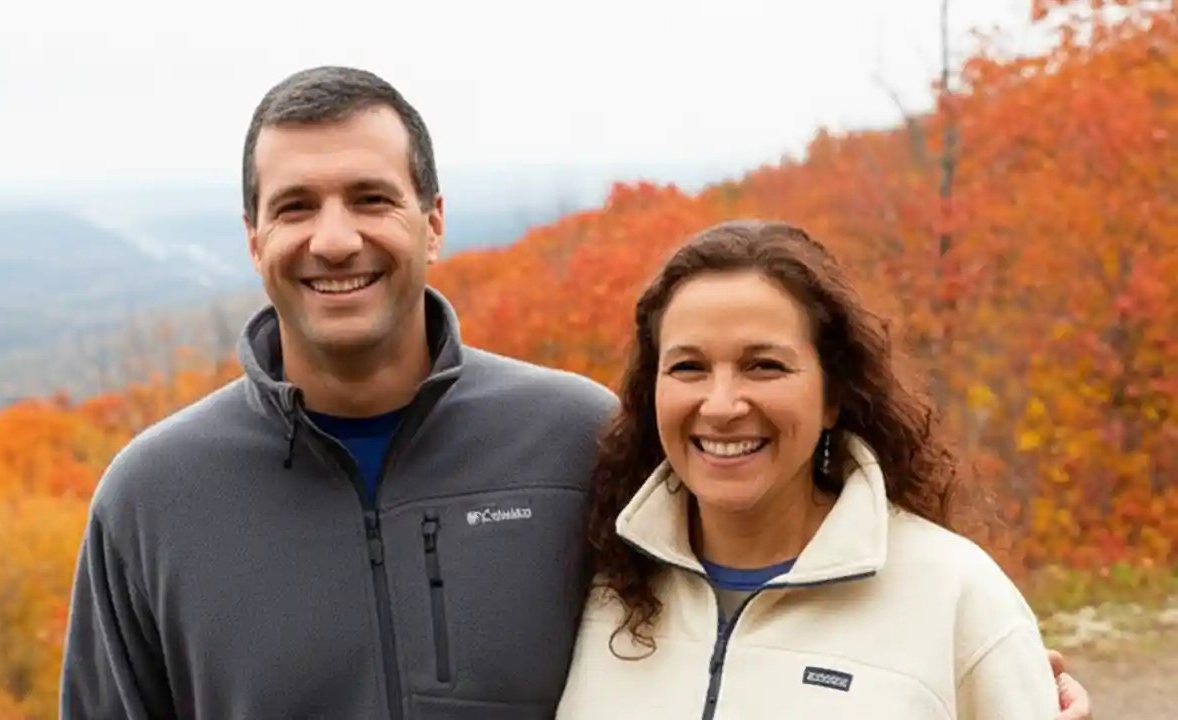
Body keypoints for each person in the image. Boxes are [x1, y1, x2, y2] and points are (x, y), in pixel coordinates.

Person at [58, 66, 1094, 719]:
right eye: (296, 206)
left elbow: (772, 564)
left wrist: (974, 667)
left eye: (371, 197)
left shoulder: (577, 440)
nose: (334, 238)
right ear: (254, 239)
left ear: (430, 221)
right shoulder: (153, 498)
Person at [555, 220, 1084, 719]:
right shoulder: (594, 584)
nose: (720, 404)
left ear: (833, 395)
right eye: (688, 367)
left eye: (764, 366)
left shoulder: (956, 597)